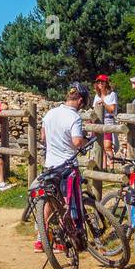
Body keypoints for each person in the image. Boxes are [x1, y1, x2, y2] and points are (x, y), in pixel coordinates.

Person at [34, 80, 89, 252]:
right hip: (67, 166)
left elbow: (43, 137)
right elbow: (77, 141)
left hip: (50, 164)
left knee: (50, 201)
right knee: (67, 202)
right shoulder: (74, 117)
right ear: (80, 100)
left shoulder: (50, 113)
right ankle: (63, 239)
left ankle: (41, 238)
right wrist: (87, 141)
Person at [93, 74, 120, 167]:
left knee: (108, 146)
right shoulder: (97, 96)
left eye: (102, 81)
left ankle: (111, 167)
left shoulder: (112, 95)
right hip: (99, 121)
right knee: (100, 145)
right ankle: (103, 167)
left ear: (106, 83)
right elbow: (95, 110)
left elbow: (112, 110)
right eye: (98, 81)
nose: (100, 83)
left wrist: (104, 103)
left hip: (108, 121)